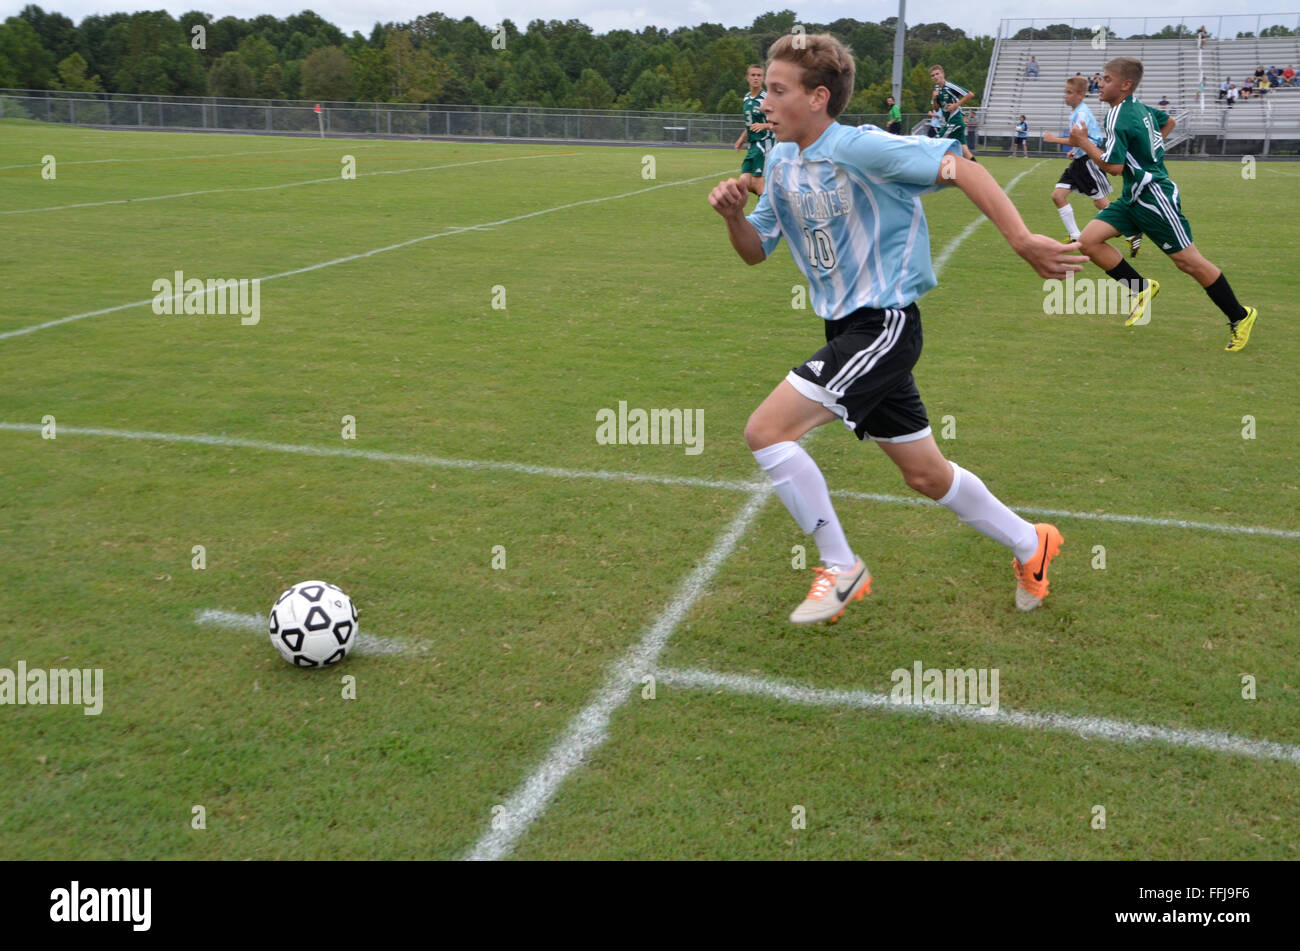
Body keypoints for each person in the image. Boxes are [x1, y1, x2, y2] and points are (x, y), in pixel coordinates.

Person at [707, 32, 1078, 623]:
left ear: (818, 97)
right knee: (926, 476)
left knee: (766, 431)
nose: (765, 103)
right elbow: (757, 251)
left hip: (884, 326)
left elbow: (963, 168)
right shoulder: (779, 162)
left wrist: (1022, 238)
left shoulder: (864, 148)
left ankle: (842, 567)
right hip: (847, 331)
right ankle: (1033, 545)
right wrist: (733, 218)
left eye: (777, 91)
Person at [1069, 57, 1258, 351]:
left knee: (1189, 262)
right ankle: (1140, 288)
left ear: (1125, 84)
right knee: (1089, 242)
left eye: (1106, 79)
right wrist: (1150, 154)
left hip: (1154, 198)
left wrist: (1083, 143)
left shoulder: (1119, 115)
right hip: (1134, 196)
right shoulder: (1137, 108)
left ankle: (1240, 315)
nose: (1100, 84)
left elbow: (1114, 167)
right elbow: (1167, 121)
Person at [1043, 76, 1140, 256]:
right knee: (1058, 195)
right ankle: (1075, 236)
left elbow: (1080, 140)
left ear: (1080, 94)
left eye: (1069, 92)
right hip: (1079, 161)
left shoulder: (1081, 114)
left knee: (1101, 202)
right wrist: (1075, 150)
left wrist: (1053, 139)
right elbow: (1080, 141)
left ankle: (1132, 232)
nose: (1066, 96)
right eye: (1065, 91)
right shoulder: (1076, 112)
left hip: (1088, 163)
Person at [733, 64, 776, 200]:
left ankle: (768, 216)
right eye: (753, 75)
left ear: (763, 78)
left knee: (758, 183)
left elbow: (781, 122)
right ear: (747, 78)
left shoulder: (768, 98)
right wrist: (741, 139)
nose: (756, 78)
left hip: (765, 145)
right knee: (743, 182)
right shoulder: (746, 98)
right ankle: (769, 200)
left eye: (759, 75)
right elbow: (750, 124)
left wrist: (764, 126)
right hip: (752, 146)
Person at [930, 64, 976, 160]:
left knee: (935, 142)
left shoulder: (950, 86)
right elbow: (937, 109)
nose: (935, 77)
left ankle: (930, 170)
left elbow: (970, 94)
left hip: (955, 121)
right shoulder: (936, 89)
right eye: (933, 75)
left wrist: (956, 105)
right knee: (965, 152)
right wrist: (934, 98)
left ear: (943, 74)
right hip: (951, 121)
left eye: (937, 74)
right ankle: (978, 172)